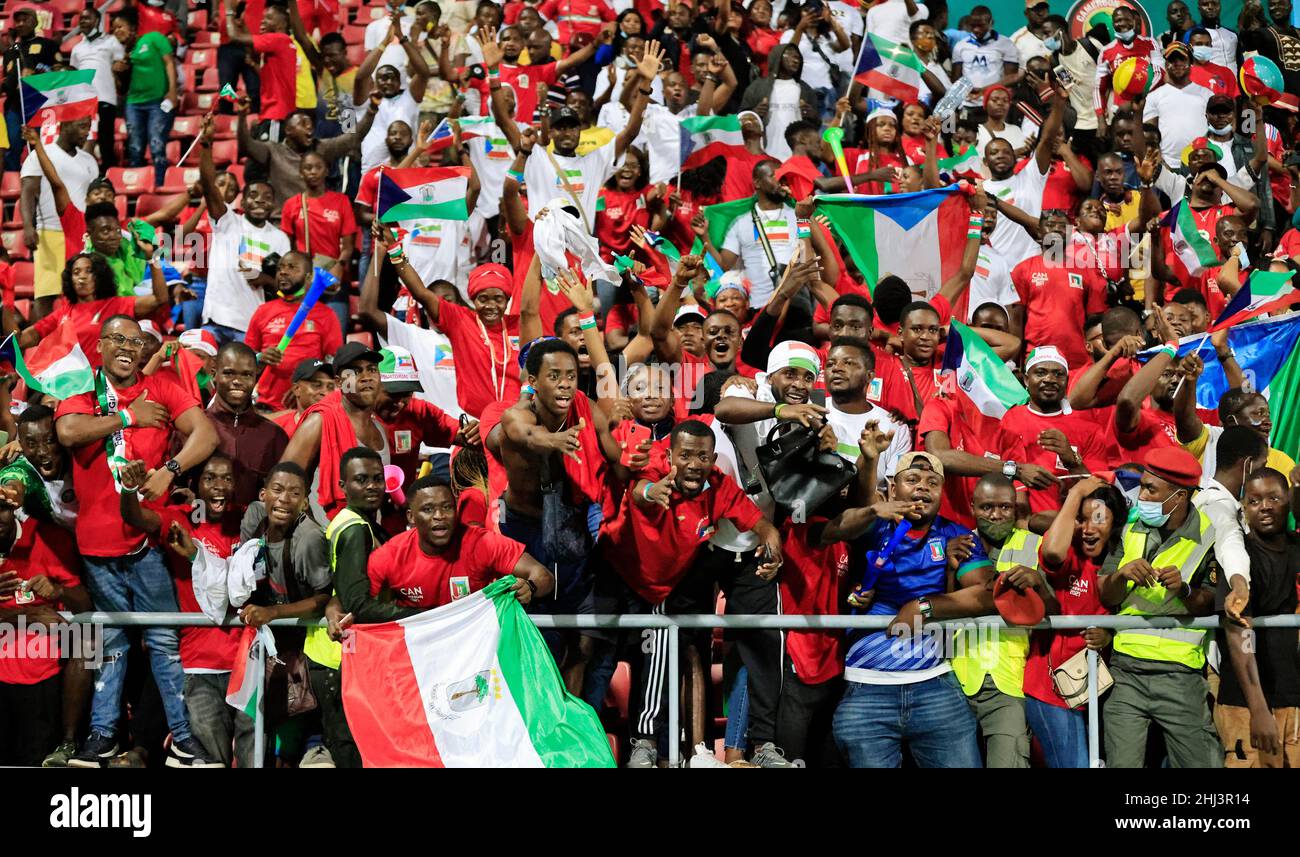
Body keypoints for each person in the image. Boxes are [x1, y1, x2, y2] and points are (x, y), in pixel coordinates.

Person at [55, 315, 219, 768]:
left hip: (146, 539)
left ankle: (183, 741)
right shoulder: (81, 385)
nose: (127, 347)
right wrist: (126, 416)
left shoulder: (163, 386)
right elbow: (68, 432)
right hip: (95, 543)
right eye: (118, 339)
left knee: (163, 643)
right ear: (102, 346)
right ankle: (102, 737)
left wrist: (172, 468)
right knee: (110, 645)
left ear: (145, 348)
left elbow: (206, 434)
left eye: (135, 340)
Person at [600, 418, 784, 767]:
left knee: (665, 645)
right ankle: (611, 745)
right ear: (670, 456)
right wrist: (650, 492)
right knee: (598, 662)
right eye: (685, 456)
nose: (694, 465)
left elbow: (759, 523)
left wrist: (771, 540)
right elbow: (639, 489)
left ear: (713, 459)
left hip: (661, 588)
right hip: (616, 576)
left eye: (703, 457)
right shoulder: (655, 467)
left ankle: (656, 745)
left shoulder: (719, 486)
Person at [822, 451, 989, 768]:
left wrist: (924, 606)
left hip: (936, 686)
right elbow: (831, 531)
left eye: (932, 482)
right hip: (866, 689)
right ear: (893, 487)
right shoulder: (873, 528)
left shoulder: (957, 535)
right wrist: (872, 507)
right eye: (912, 480)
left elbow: (986, 596)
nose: (923, 488)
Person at [1098, 446, 1222, 768]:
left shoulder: (1209, 534)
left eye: (1151, 489)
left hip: (1180, 676)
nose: (1142, 495)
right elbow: (1105, 593)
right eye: (1143, 485)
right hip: (1125, 672)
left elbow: (1209, 604)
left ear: (1179, 497)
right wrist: (1122, 576)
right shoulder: (1129, 526)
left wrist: (1184, 590)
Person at [120, 453, 243, 768]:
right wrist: (130, 489)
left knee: (250, 756)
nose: (219, 486)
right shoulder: (180, 518)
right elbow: (136, 518)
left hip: (246, 662)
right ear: (196, 484)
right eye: (210, 478)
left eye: (227, 478)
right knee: (212, 758)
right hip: (197, 663)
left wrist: (195, 556)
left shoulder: (249, 520)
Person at [352, 475, 554, 619]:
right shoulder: (392, 554)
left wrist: (530, 587)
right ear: (411, 517)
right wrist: (334, 611)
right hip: (418, 653)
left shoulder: (481, 542)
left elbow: (543, 576)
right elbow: (355, 598)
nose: (439, 516)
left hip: (474, 652)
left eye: (447, 507)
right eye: (428, 509)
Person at [1030, 476, 1122, 767]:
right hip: (1052, 690)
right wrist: (1078, 491)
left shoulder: (1123, 559)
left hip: (1102, 693)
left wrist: (1108, 634)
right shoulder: (1069, 553)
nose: (1088, 529)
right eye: (1080, 520)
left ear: (1116, 524)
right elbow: (1053, 552)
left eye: (1098, 519)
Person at [0, 471, 90, 768]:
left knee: (88, 642)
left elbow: (85, 603)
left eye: (0, 508)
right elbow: (27, 615)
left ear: (12, 507)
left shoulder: (47, 538)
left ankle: (69, 741)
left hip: (43, 678)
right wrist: (23, 615)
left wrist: (58, 589)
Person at [1216, 467, 1300, 767]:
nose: (1264, 506)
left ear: (1288, 501)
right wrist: (1259, 708)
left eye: (1273, 498)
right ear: (1244, 508)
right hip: (1246, 703)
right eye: (1254, 501)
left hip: (1293, 698)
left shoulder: (1296, 548)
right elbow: (1240, 633)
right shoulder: (1239, 560)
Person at [195, 116, 290, 345]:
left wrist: (263, 279)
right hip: (216, 320)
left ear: (273, 205)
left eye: (267, 198)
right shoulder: (228, 222)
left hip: (251, 325)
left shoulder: (280, 238)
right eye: (253, 196)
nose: (260, 201)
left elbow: (285, 285)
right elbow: (209, 186)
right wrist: (206, 145)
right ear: (243, 203)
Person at [995, 346, 1112, 513]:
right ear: (1026, 380)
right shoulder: (1009, 420)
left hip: (1073, 526)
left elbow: (1101, 494)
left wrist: (1071, 460)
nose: (1050, 379)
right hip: (1022, 526)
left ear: (1067, 380)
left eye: (1058, 374)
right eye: (1041, 372)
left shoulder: (1089, 428)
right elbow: (1000, 476)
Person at [280, 342, 389, 521]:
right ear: (339, 382)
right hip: (326, 536)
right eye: (354, 371)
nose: (366, 377)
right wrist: (310, 533)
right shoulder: (320, 421)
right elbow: (283, 482)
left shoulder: (380, 430)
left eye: (372, 370)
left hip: (367, 536)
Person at [243, 250, 345, 409]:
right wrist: (260, 358)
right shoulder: (262, 312)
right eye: (280, 268)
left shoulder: (326, 315)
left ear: (309, 277)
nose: (283, 272)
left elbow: (334, 363)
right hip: (266, 406)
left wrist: (306, 385)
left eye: (292, 267)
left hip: (309, 407)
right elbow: (245, 360)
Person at [194, 342, 290, 508]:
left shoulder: (275, 436)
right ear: (213, 373)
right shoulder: (193, 428)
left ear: (255, 377)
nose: (237, 381)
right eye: (229, 373)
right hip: (199, 528)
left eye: (246, 375)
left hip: (254, 531)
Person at [20, 117, 99, 319]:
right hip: (51, 231)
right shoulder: (41, 154)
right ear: (64, 125)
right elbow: (28, 192)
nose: (86, 133)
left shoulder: (89, 160)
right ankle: (40, 346)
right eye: (82, 126)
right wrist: (28, 226)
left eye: (88, 128)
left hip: (82, 233)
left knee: (82, 292)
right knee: (47, 294)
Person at [113, 9, 178, 187]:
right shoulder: (122, 54)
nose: (116, 31)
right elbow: (121, 90)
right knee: (134, 148)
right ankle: (138, 186)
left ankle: (159, 185)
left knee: (157, 144)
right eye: (113, 29)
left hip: (158, 102)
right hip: (133, 104)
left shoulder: (154, 38)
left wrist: (172, 91)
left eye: (120, 26)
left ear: (133, 27)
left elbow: (169, 63)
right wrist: (118, 73)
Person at [1092, 5, 1164, 138]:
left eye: (1127, 19)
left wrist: (1136, 100)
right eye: (1118, 20)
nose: (1123, 23)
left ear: (1134, 21)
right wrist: (1100, 119)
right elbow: (1098, 88)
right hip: (1121, 114)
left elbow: (1159, 74)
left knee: (1148, 153)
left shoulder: (1150, 43)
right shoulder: (1106, 51)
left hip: (1149, 110)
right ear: (1113, 24)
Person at [70, 6, 126, 171]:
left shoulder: (111, 41)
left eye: (87, 18)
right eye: (81, 19)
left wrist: (120, 69)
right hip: (83, 101)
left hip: (105, 98)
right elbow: (73, 74)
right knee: (83, 140)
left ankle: (109, 175)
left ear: (97, 21)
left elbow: (121, 65)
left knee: (105, 140)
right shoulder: (76, 48)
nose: (83, 22)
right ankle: (87, 174)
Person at [1142, 42, 1213, 171]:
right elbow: (1149, 133)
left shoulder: (1207, 94)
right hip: (1167, 165)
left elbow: (1216, 132)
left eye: (1182, 58)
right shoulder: (1154, 96)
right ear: (1166, 64)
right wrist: (1161, 163)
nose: (1177, 63)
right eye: (1172, 59)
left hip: (1201, 164)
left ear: (1191, 62)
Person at [951, 6, 1020, 115]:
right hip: (968, 103)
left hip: (995, 104)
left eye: (981, 25)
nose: (976, 30)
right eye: (973, 26)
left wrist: (985, 90)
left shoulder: (1006, 44)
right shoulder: (960, 46)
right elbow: (955, 78)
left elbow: (1012, 77)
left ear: (991, 23)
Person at [1011, 0, 1051, 65]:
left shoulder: (1059, 34)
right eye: (1035, 9)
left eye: (1043, 8)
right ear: (1026, 13)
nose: (1040, 13)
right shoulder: (1016, 41)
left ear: (1048, 11)